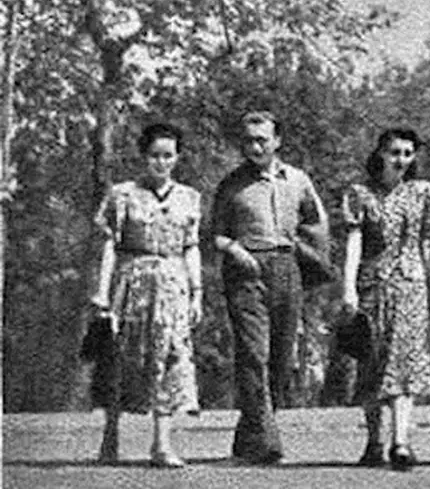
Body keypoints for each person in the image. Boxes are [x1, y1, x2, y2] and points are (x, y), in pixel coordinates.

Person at [210, 109, 329, 465]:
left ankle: (248, 437)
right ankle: (267, 440)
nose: (255, 146)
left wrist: (308, 257)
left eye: (262, 139)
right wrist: (235, 250)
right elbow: (214, 234)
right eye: (248, 140)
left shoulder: (297, 180)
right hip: (245, 271)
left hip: (286, 268)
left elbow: (317, 222)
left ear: (277, 141)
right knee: (253, 354)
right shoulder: (231, 184)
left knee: (279, 357)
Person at [88, 121, 203, 468]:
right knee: (122, 359)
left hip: (172, 287)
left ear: (177, 158)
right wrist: (101, 293)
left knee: (169, 359)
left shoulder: (189, 197)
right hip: (132, 285)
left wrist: (197, 292)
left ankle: (161, 444)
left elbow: (191, 247)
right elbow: (110, 244)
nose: (161, 163)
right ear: (143, 156)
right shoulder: (122, 195)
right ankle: (111, 438)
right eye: (155, 155)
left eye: (168, 156)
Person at [340, 127, 430, 470]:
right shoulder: (360, 194)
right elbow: (354, 242)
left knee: (404, 359)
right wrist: (348, 288)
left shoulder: (422, 192)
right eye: (395, 152)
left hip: (411, 285)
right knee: (371, 360)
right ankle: (373, 440)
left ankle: (401, 441)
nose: (401, 160)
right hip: (373, 284)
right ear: (380, 153)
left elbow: (426, 240)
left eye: (408, 154)